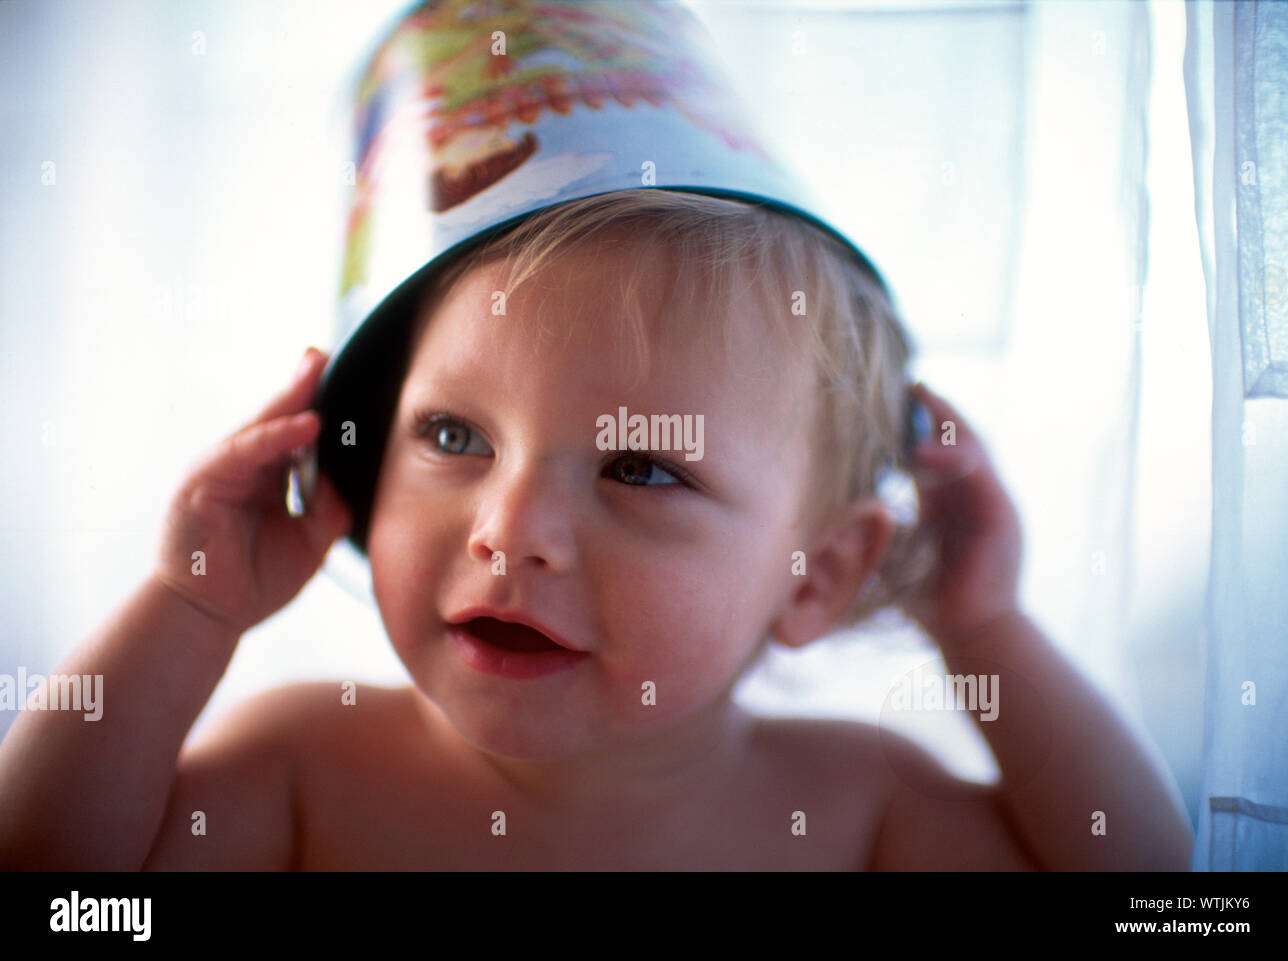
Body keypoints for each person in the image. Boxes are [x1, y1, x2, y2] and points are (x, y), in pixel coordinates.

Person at [0, 187, 1191, 870]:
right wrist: (190, 605)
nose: (510, 531)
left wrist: (983, 626)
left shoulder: (853, 802)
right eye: (455, 435)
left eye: (639, 466)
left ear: (813, 574)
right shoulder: (306, 762)